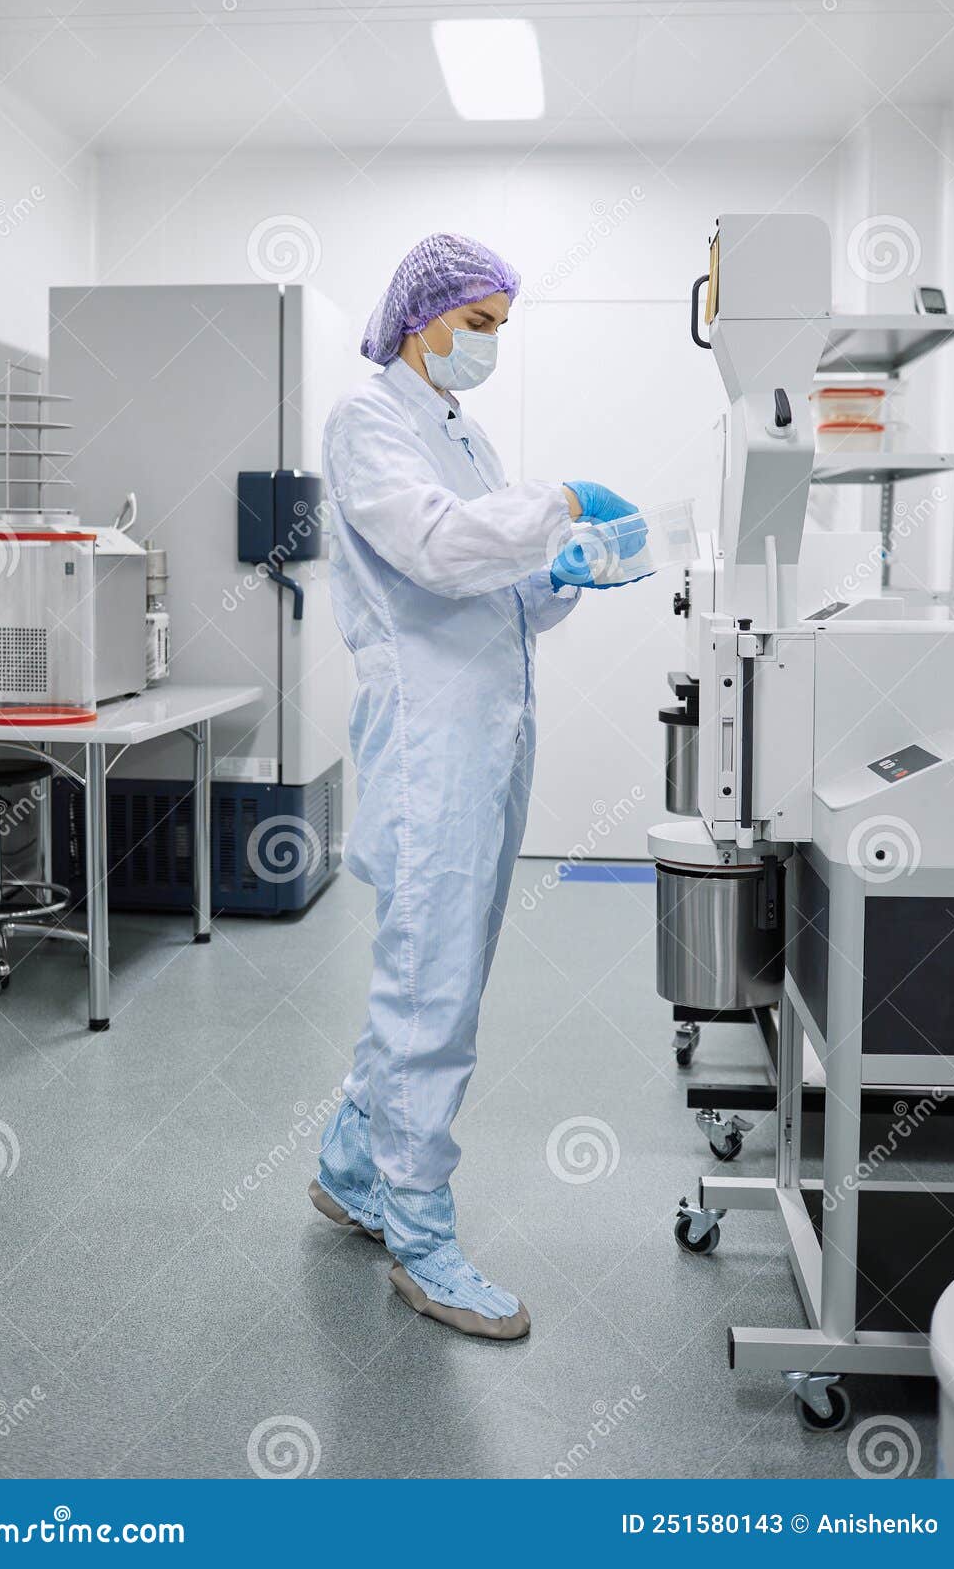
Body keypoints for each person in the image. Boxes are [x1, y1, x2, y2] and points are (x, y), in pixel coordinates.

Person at [309, 233, 644, 1340]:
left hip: (492, 733)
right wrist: (551, 502)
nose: (491, 346)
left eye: (504, 327)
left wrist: (561, 574)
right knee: (431, 986)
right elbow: (441, 552)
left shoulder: (461, 428)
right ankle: (419, 1232)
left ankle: (355, 1163)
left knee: (440, 969)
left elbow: (498, 588)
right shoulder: (367, 421)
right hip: (432, 743)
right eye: (481, 324)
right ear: (424, 316)